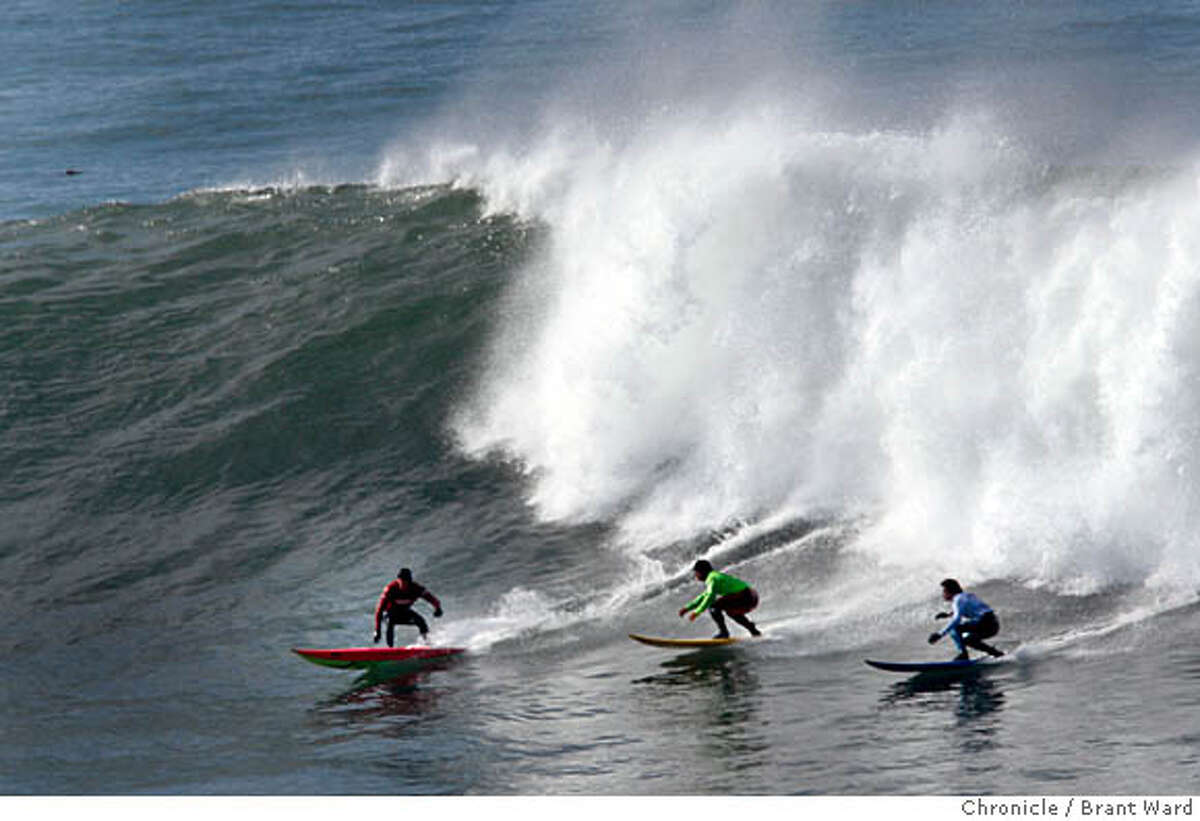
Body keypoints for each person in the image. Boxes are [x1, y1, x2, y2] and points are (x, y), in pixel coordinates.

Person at [678, 559, 762, 639]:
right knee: (731, 612)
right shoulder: (715, 576)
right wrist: (687, 608)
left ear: (702, 571)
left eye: (696, 572)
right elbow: (704, 596)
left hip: (745, 596)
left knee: (713, 606)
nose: (696, 575)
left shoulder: (712, 578)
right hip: (751, 596)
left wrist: (697, 612)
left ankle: (724, 633)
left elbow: (710, 597)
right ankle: (753, 630)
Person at [928, 578, 1004, 660]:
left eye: (944, 591)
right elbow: (977, 609)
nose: (943, 594)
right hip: (993, 624)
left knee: (955, 629)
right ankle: (996, 653)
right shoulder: (967, 596)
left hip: (985, 624)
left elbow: (956, 620)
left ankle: (963, 655)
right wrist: (948, 614)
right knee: (968, 639)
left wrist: (939, 634)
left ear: (949, 591)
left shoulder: (957, 600)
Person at [373, 567, 443, 646]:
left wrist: (437, 608)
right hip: (391, 614)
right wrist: (377, 631)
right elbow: (379, 611)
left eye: (405, 581)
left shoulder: (416, 589)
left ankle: (428, 644)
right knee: (390, 622)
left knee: (421, 621)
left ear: (409, 581)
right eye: (400, 581)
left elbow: (432, 599)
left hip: (405, 613)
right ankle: (391, 650)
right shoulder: (390, 589)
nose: (402, 584)